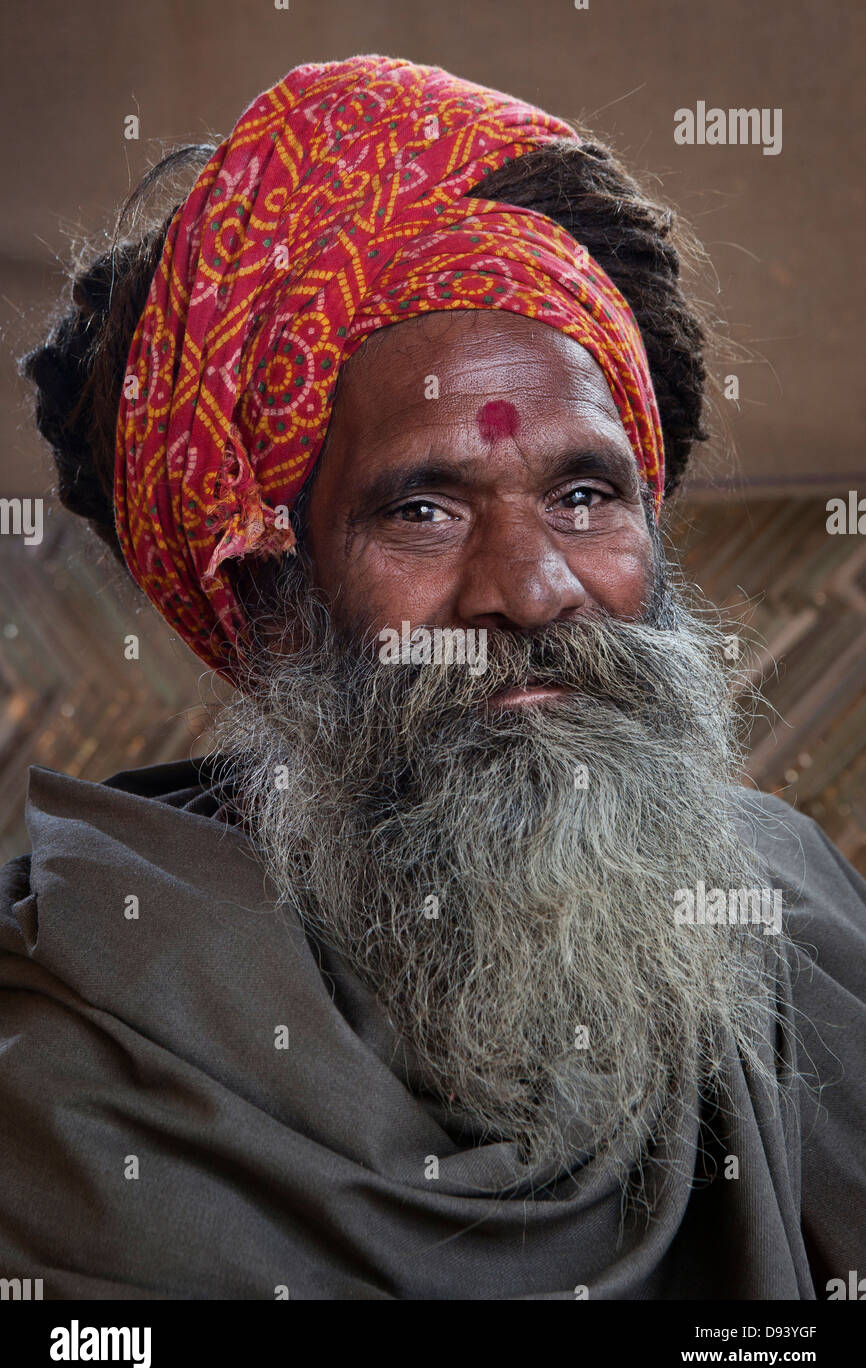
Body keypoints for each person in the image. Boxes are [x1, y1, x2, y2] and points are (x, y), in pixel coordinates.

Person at [3, 53, 864, 1301]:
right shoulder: (75, 1067)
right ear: (271, 596)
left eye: (582, 495)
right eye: (419, 508)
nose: (531, 586)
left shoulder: (797, 920)